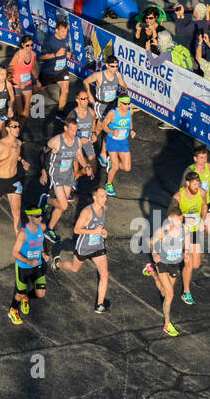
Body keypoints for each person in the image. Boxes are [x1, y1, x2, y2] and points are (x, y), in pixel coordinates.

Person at [52, 185, 111, 313]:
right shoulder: (87, 212)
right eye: (102, 196)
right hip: (84, 247)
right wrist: (94, 231)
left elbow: (100, 227)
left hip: (98, 246)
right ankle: (57, 264)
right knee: (74, 268)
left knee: (105, 274)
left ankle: (99, 305)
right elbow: (76, 230)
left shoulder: (103, 208)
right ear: (95, 197)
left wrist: (103, 232)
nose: (105, 198)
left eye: (106, 196)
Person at [143, 205, 187, 336]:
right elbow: (150, 242)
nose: (179, 223)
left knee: (163, 292)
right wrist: (154, 252)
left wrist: (186, 252)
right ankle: (167, 324)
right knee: (170, 294)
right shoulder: (162, 231)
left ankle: (151, 271)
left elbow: (187, 242)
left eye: (181, 220)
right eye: (176, 221)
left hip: (174, 264)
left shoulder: (185, 229)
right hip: (162, 263)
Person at [171, 170, 210, 305]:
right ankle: (186, 292)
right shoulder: (178, 197)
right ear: (187, 183)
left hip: (194, 232)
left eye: (197, 184)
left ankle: (176, 260)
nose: (196, 187)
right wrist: (183, 223)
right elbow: (171, 216)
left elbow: (205, 206)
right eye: (193, 184)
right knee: (188, 263)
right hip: (183, 233)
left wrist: (203, 221)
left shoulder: (202, 193)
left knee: (195, 264)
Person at [8, 207, 50, 326]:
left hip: (37, 266)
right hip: (23, 267)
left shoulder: (42, 227)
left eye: (41, 215)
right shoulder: (23, 233)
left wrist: (43, 253)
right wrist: (28, 261)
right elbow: (15, 252)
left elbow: (40, 241)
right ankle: (13, 310)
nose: (40, 218)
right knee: (19, 294)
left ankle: (25, 297)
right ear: (30, 217)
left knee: (40, 293)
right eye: (37, 216)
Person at [101, 96, 135, 195]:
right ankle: (108, 184)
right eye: (125, 103)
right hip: (113, 141)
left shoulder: (130, 111)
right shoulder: (112, 113)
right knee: (115, 167)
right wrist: (111, 131)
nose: (128, 105)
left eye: (129, 103)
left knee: (127, 167)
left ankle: (111, 163)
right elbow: (103, 125)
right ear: (119, 103)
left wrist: (132, 130)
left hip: (123, 141)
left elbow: (130, 122)